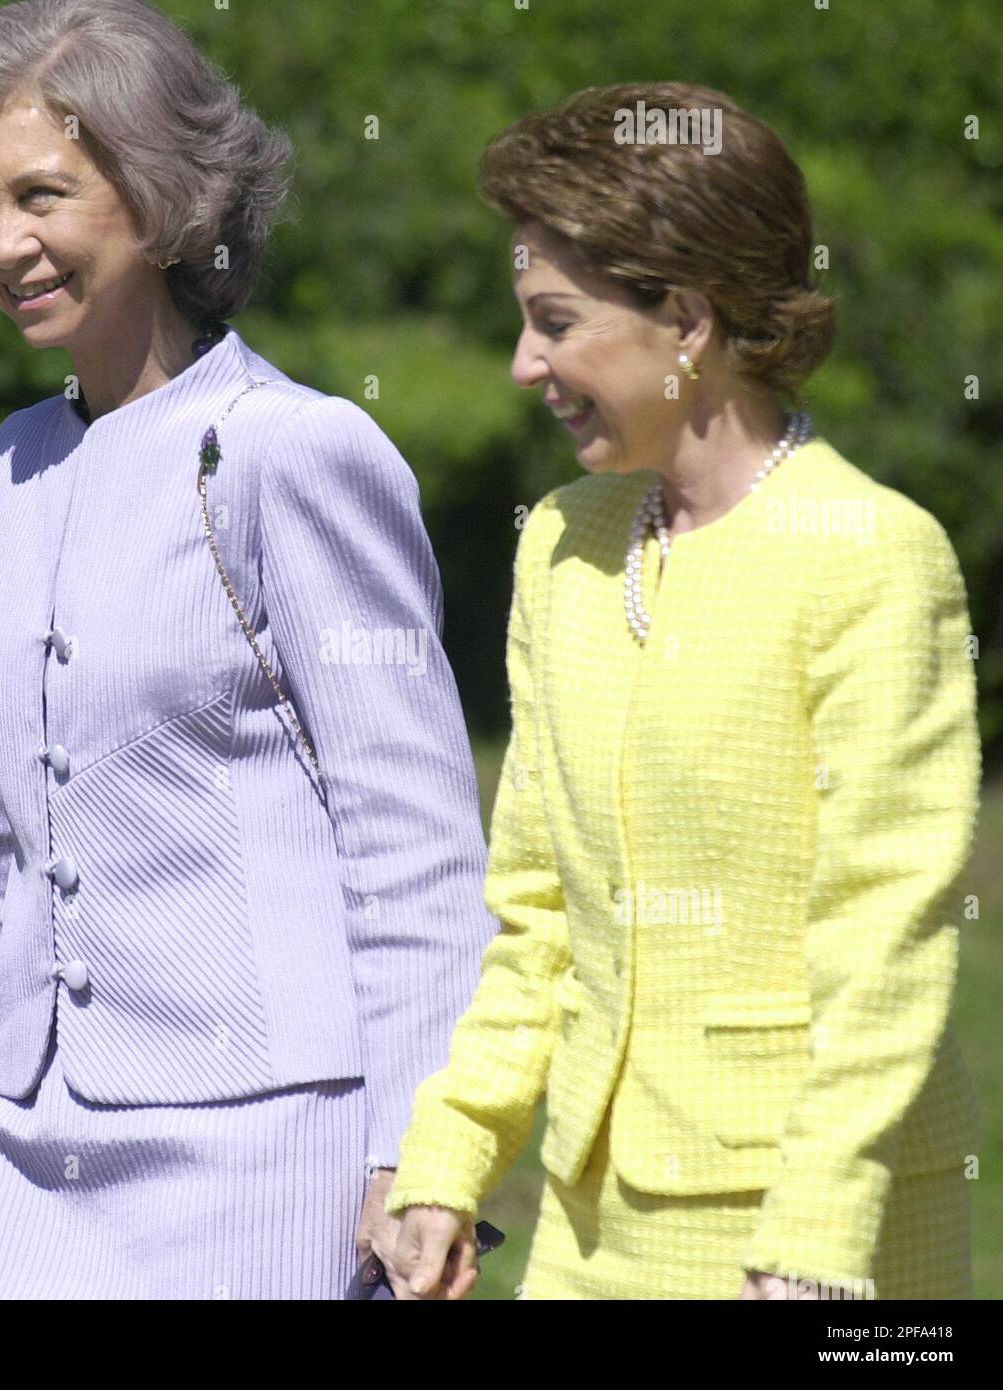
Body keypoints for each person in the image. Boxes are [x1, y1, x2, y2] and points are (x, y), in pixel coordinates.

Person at [0, 0, 496, 1300]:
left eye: (40, 194)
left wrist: (417, 1155)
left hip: (259, 1148)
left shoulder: (294, 452)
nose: (2, 243)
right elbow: (16, 846)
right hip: (18, 1138)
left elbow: (414, 841)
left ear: (163, 195)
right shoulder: (14, 464)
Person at [384, 81, 982, 1301]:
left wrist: (813, 1242)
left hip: (817, 1224)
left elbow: (886, 927)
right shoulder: (562, 539)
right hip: (587, 1219)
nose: (522, 364)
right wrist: (448, 1159)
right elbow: (537, 907)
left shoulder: (871, 552)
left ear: (688, 319)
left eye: (554, 322)